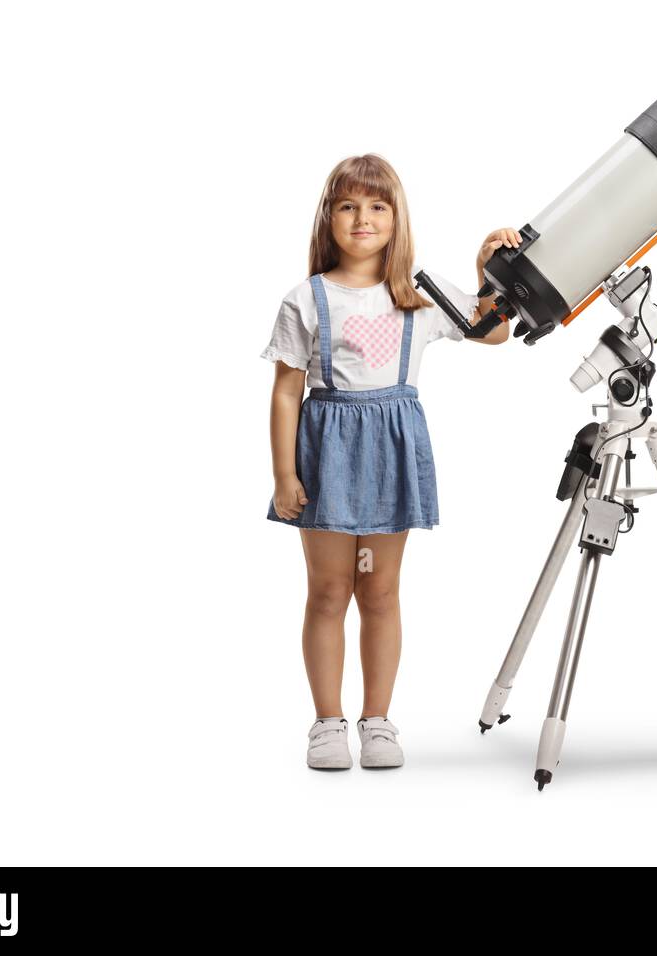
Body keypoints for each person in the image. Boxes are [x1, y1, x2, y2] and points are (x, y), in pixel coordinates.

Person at [261, 154, 518, 770]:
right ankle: (327, 724)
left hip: (389, 456)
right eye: (348, 205)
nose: (363, 218)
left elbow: (492, 332)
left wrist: (486, 269)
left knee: (378, 589)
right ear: (329, 218)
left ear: (397, 218)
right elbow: (285, 391)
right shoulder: (306, 299)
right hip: (326, 458)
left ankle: (377, 721)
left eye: (377, 206)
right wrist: (284, 474)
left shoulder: (420, 297)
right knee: (328, 591)